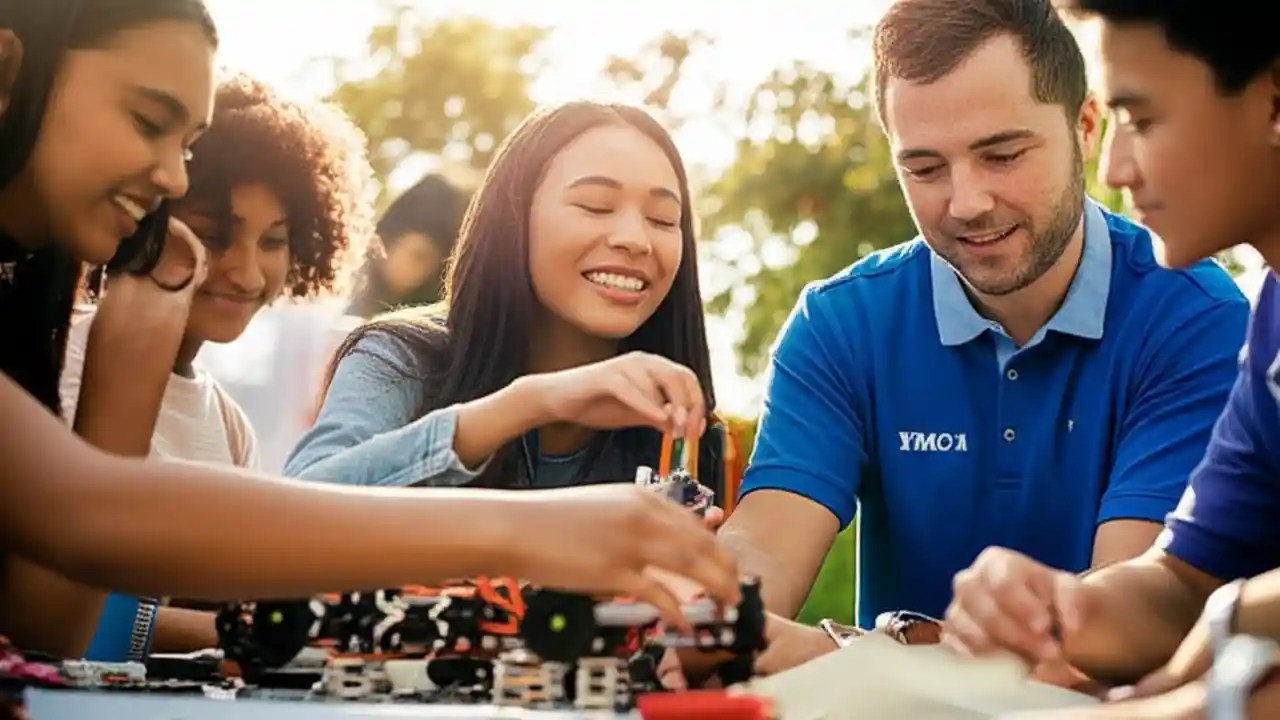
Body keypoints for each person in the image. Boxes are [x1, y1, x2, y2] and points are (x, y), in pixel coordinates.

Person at [0, 0, 739, 659]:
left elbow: (53, 617)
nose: (175, 179)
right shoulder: (403, 354)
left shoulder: (64, 316)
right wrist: (537, 523)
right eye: (147, 122)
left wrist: (127, 362)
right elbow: (93, 517)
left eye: (188, 145)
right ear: (6, 72)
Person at [689, 0, 1250, 682]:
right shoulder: (840, 323)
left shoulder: (1195, 320)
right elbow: (766, 550)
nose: (967, 202)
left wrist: (869, 656)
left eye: (1003, 154)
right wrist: (708, 611)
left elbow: (1130, 626)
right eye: (925, 169)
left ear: (1086, 126)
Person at [942, 1, 1280, 716]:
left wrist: (1231, 633)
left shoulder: (1198, 313)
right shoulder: (1272, 321)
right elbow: (1184, 581)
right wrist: (1059, 611)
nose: (1116, 166)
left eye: (1142, 120)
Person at [52, 72, 376, 662]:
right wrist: (252, 636)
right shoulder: (58, 365)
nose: (247, 273)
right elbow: (47, 606)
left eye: (274, 242)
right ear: (145, 218)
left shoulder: (227, 423)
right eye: (213, 236)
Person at [285, 100, 729, 504]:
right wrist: (530, 403)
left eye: (662, 219)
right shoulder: (400, 359)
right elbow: (295, 513)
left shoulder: (683, 436)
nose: (636, 240)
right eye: (596, 206)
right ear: (515, 219)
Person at [346, 171, 470, 319]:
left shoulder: (430, 320)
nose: (423, 273)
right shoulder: (342, 299)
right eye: (419, 256)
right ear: (387, 240)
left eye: (436, 267)